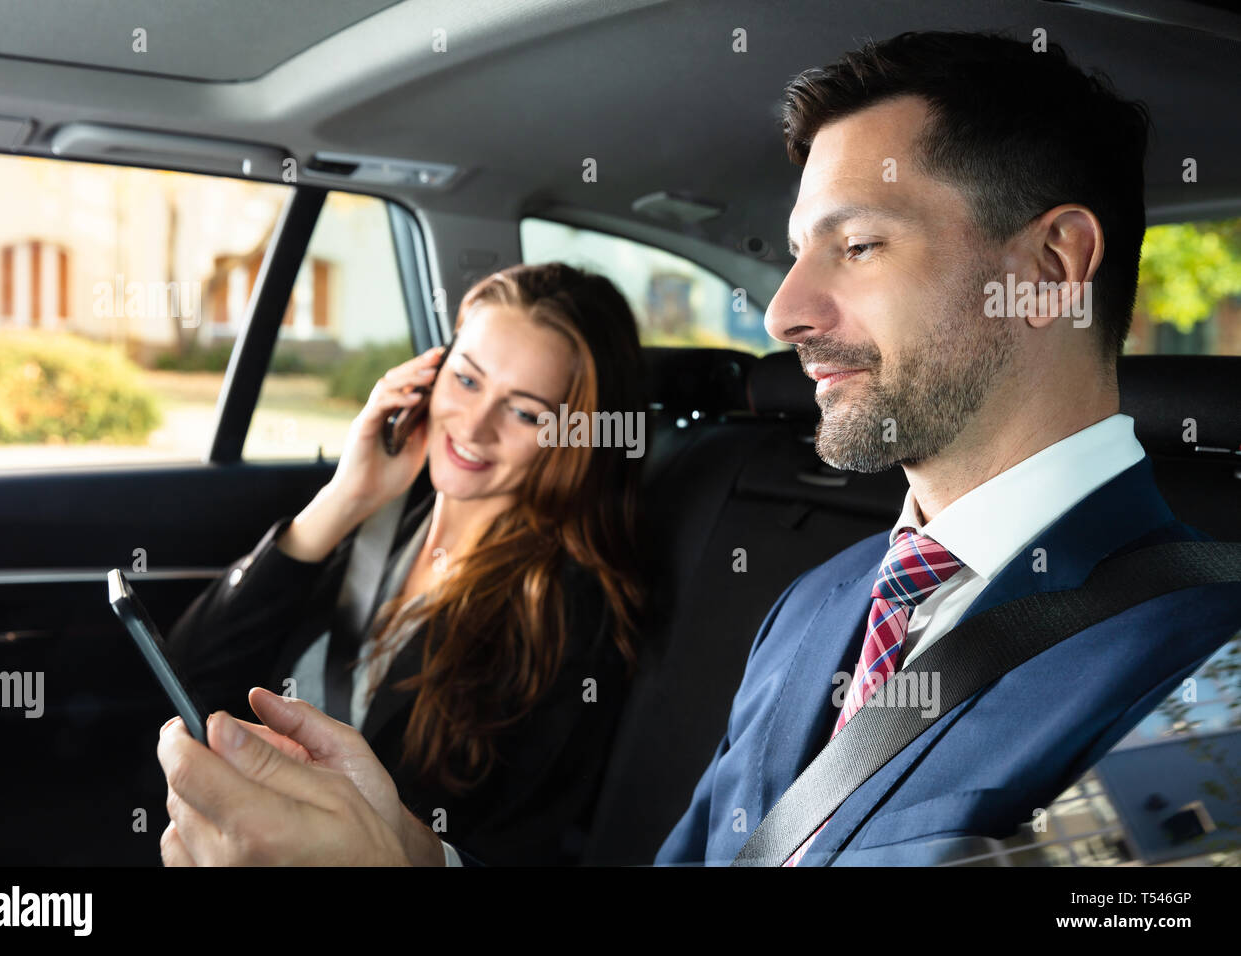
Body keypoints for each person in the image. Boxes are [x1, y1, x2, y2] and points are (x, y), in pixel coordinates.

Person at [157, 30, 1241, 867]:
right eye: (794, 254)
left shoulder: (1214, 687)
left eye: (857, 244)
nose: (782, 310)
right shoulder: (817, 603)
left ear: (1052, 262)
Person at [163, 262, 647, 866]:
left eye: (524, 413)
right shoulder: (387, 520)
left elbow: (511, 850)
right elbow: (190, 674)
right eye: (466, 381)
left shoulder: (566, 613)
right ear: (430, 374)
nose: (474, 427)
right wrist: (345, 498)